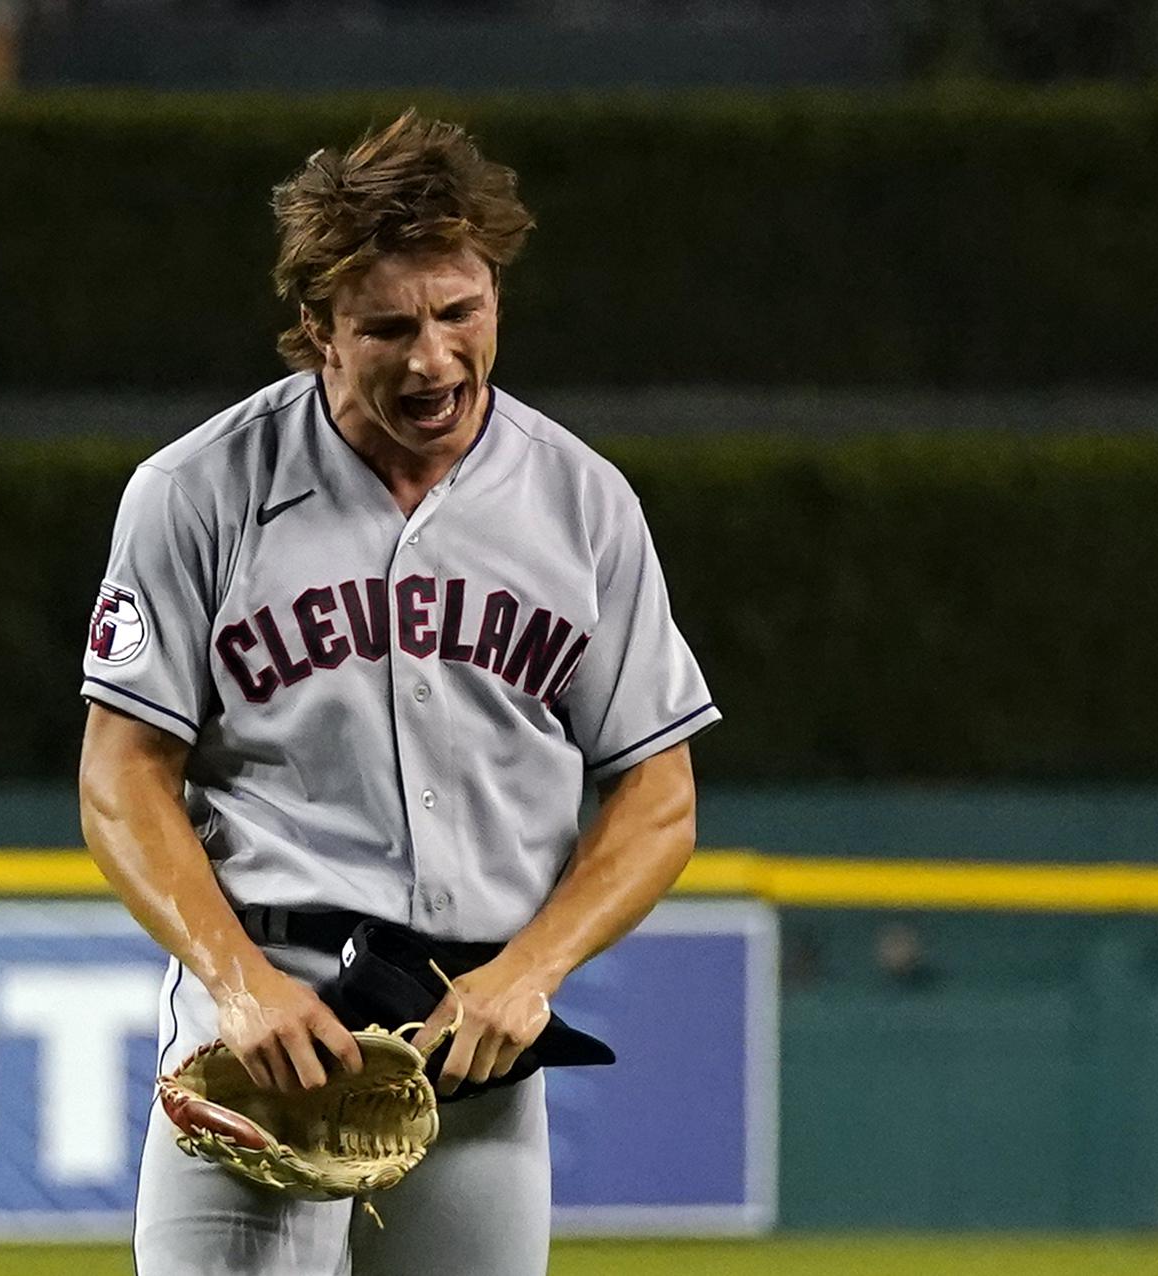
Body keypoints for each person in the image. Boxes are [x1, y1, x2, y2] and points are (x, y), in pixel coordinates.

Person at [77, 109, 718, 1276]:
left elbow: (657, 796)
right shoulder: (197, 492)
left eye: (458, 311)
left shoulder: (580, 504)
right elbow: (120, 774)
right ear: (317, 328)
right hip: (275, 1027)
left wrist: (531, 971)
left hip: (472, 1036)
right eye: (388, 326)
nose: (432, 358)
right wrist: (237, 981)